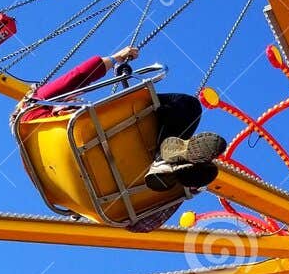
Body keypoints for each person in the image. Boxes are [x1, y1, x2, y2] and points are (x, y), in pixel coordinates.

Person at [20, 46, 226, 198]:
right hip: (98, 140)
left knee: (162, 142)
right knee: (183, 105)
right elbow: (76, 78)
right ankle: (168, 157)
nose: (76, 99)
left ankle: (170, 165)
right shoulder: (34, 108)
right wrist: (114, 58)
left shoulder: (33, 149)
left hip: (94, 187)